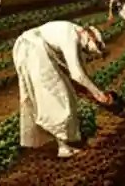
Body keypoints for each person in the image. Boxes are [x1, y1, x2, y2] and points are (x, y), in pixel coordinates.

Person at [14, 20, 112, 158]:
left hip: (29, 48)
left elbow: (78, 75)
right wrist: (99, 95)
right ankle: (64, 148)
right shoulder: (72, 35)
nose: (87, 52)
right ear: (89, 36)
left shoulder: (73, 32)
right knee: (59, 98)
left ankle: (64, 145)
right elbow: (77, 74)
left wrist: (90, 91)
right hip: (34, 50)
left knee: (58, 97)